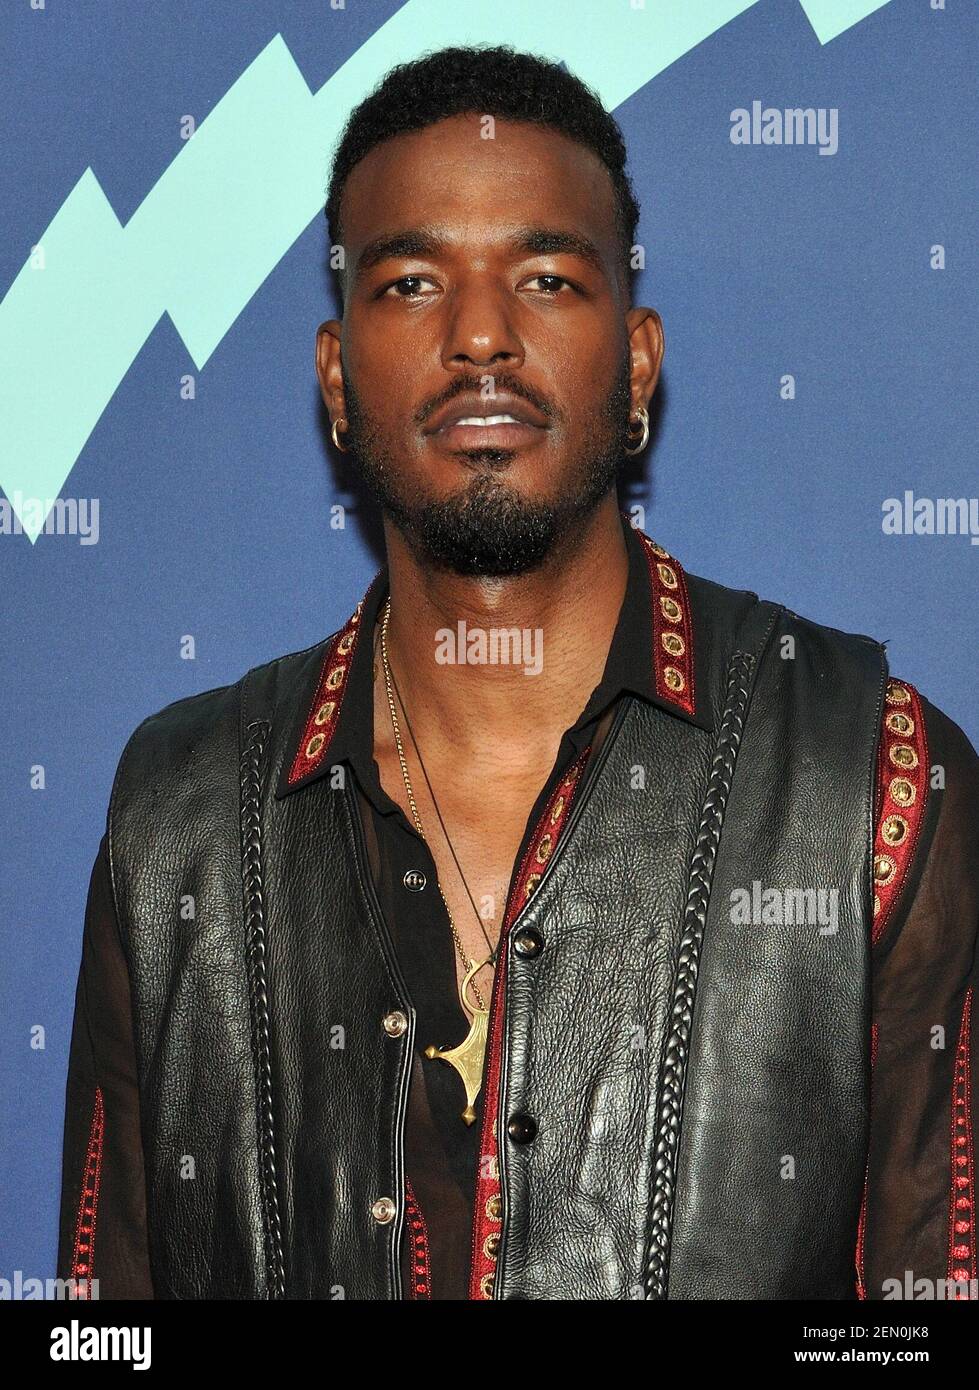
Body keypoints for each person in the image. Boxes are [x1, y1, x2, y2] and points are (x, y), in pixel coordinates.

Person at [58, 45, 978, 1301]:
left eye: (544, 277)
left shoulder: (873, 777)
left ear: (637, 362)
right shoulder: (179, 821)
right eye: (409, 282)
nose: (480, 334)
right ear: (336, 380)